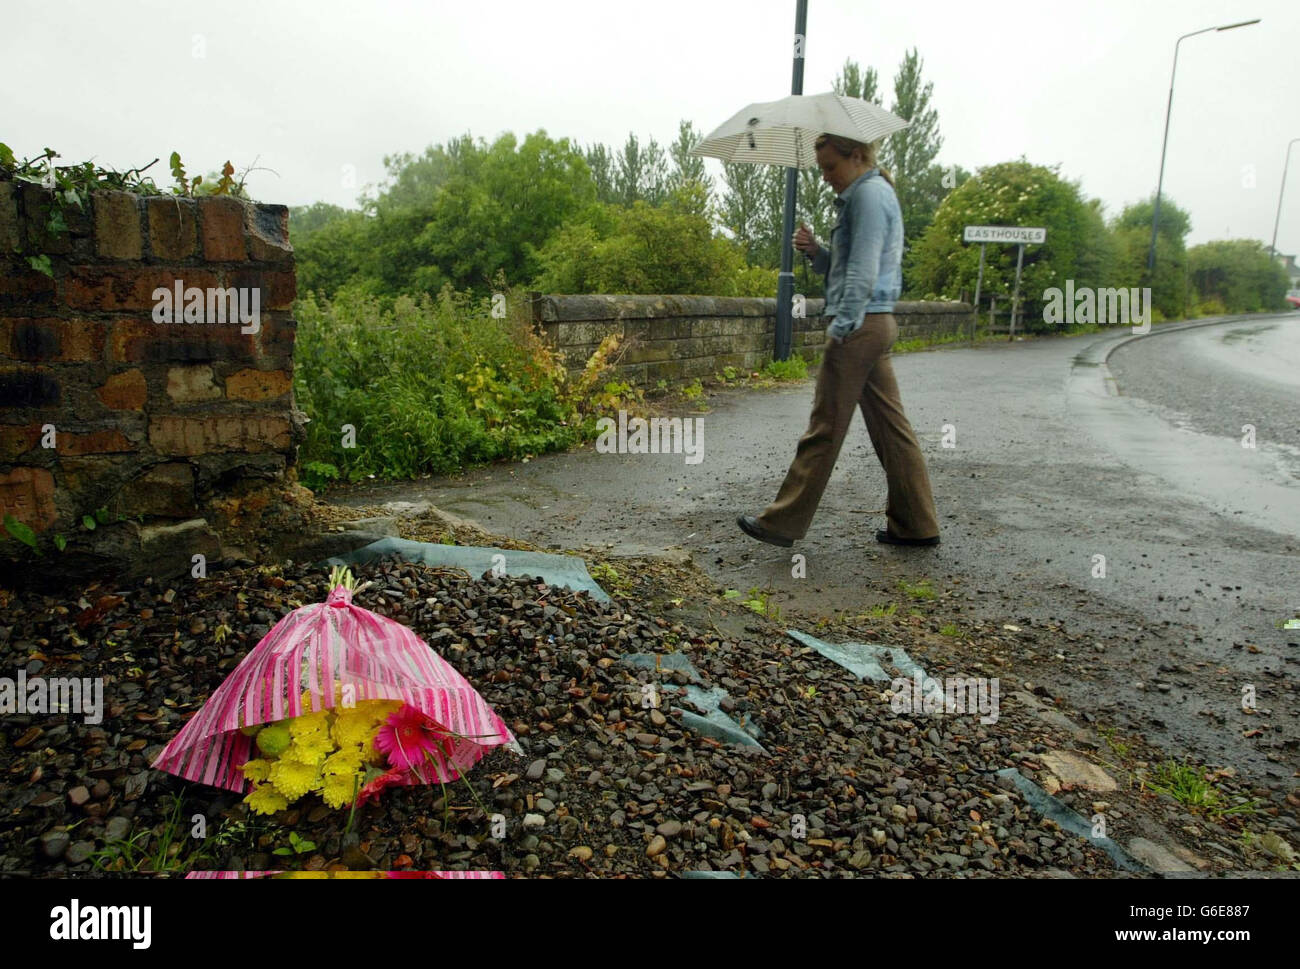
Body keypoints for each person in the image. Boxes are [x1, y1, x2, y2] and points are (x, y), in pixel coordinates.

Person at [737, 132, 941, 548]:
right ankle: (916, 525)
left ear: (857, 156)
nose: (826, 176)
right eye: (821, 169)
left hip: (860, 325)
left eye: (831, 166)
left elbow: (864, 270)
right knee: (891, 429)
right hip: (875, 321)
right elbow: (850, 265)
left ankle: (782, 522)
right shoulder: (873, 193)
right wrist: (816, 251)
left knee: (825, 425)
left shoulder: (867, 195)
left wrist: (842, 326)